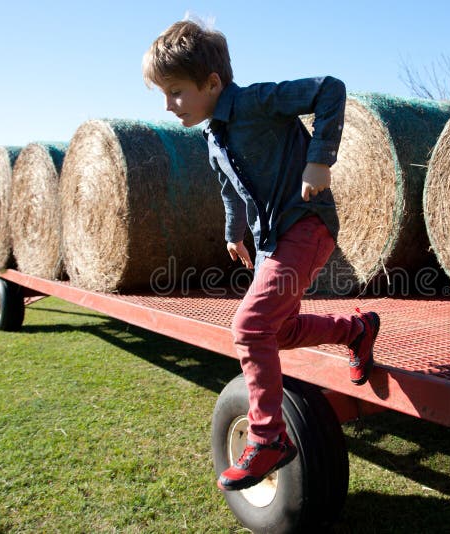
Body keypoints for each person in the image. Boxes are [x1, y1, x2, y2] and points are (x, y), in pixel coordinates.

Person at [142, 18, 380, 492]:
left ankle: (269, 438)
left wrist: (319, 160)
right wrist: (234, 232)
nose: (169, 106)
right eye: (163, 96)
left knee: (249, 327)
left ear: (212, 83)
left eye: (176, 93)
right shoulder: (213, 136)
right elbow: (230, 189)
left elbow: (330, 89)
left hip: (306, 223)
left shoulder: (256, 102)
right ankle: (357, 330)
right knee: (280, 329)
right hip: (273, 239)